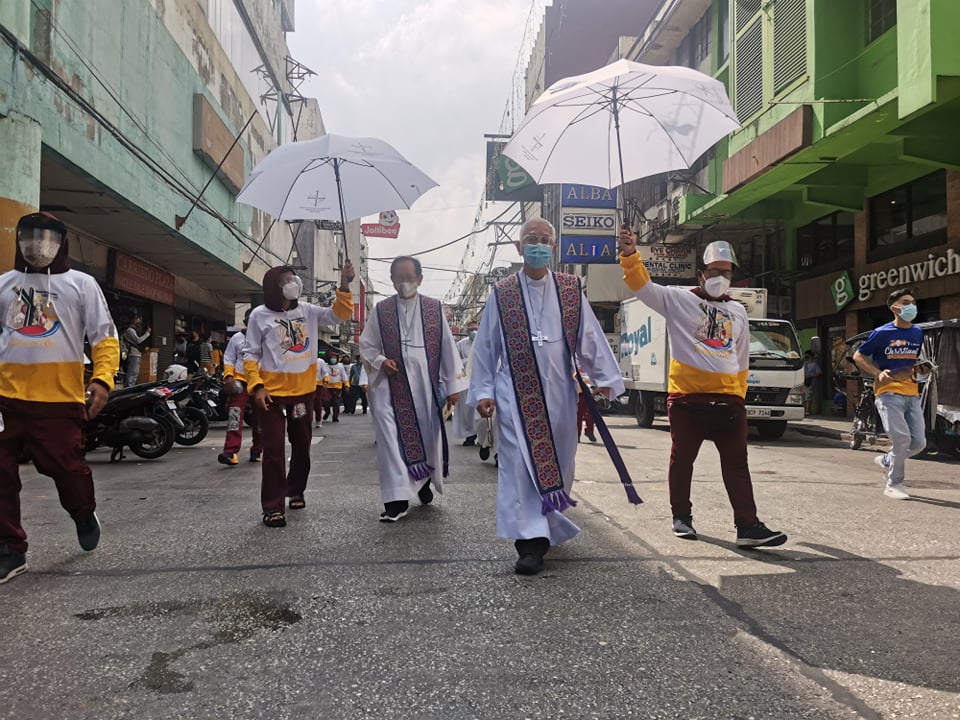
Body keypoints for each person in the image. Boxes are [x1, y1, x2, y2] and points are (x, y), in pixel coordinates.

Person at [468, 219, 623, 575]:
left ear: (553, 247)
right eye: (531, 240)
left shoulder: (570, 289)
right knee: (520, 467)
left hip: (560, 396)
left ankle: (547, 526)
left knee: (560, 464)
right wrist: (483, 391)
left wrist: (605, 378)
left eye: (545, 240)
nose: (538, 245)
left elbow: (590, 337)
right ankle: (529, 544)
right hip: (514, 394)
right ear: (519, 248)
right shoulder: (503, 292)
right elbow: (486, 347)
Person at [618, 227, 787, 548]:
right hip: (687, 401)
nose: (720, 277)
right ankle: (681, 517)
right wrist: (629, 255)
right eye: (714, 272)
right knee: (682, 461)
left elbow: (740, 357)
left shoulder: (737, 310)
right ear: (701, 273)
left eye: (726, 273)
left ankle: (748, 527)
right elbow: (642, 286)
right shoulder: (678, 300)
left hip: (728, 404)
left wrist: (738, 397)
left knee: (737, 465)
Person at [0, 212, 120, 584]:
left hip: (58, 400)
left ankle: (83, 512)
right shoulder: (4, 285)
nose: (37, 245)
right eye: (30, 236)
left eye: (46, 237)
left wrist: (102, 380)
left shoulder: (81, 285)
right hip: (6, 400)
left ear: (61, 242)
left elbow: (105, 337)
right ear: (19, 240)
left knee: (66, 469)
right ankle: (10, 549)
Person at [244, 262, 354, 527]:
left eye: (294, 278)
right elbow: (250, 354)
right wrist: (256, 386)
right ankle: (272, 506)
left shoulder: (309, 311)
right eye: (287, 279)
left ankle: (296, 489)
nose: (294, 282)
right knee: (272, 450)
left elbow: (339, 314)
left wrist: (345, 283)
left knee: (302, 447)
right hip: (270, 396)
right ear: (274, 287)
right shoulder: (259, 315)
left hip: (303, 393)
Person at [360, 256, 468, 522]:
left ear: (420, 279)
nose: (405, 282)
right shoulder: (382, 310)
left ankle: (421, 481)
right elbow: (367, 345)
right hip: (389, 385)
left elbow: (447, 347)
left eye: (410, 277)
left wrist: (453, 385)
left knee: (425, 435)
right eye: (400, 277)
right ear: (392, 279)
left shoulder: (433, 308)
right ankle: (396, 499)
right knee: (389, 439)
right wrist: (380, 361)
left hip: (424, 384)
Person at [852, 289, 926, 500]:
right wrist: (877, 372)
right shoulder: (882, 333)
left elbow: (913, 360)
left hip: (912, 393)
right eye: (906, 302)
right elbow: (858, 355)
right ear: (894, 308)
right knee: (902, 439)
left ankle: (887, 461)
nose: (912, 306)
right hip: (888, 393)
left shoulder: (917, 333)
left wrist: (923, 368)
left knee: (919, 443)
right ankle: (894, 484)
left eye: (913, 301)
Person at [218, 308, 262, 466]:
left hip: (260, 384)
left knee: (261, 419)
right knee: (234, 416)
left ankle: (257, 449)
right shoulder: (236, 338)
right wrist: (229, 377)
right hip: (240, 382)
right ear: (245, 322)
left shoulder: (266, 337)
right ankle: (230, 452)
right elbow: (229, 358)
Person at [453, 320, 480, 445]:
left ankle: (484, 436)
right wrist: (468, 362)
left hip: (480, 381)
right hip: (465, 381)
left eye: (476, 329)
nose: (474, 332)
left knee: (480, 411)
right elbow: (455, 362)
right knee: (467, 410)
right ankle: (470, 435)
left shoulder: (483, 342)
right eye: (471, 329)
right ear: (466, 331)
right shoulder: (460, 344)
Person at [122, 315, 151, 388]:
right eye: (137, 319)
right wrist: (147, 333)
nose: (139, 321)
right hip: (133, 353)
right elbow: (138, 340)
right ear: (133, 320)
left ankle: (131, 386)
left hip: (137, 353)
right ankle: (128, 387)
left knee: (135, 372)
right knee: (132, 372)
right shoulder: (130, 330)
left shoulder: (135, 330)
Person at [323, 354, 349, 422]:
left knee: (336, 403)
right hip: (327, 387)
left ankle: (335, 417)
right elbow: (324, 374)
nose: (333, 359)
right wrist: (325, 382)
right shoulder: (325, 366)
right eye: (332, 357)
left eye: (334, 358)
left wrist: (346, 385)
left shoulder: (340, 366)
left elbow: (344, 376)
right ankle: (327, 412)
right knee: (325, 401)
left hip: (337, 387)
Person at [577, 368, 597, 443]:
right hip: (579, 391)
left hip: (590, 391)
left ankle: (589, 431)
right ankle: (577, 435)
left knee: (592, 414)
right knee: (578, 415)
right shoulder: (574, 360)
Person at [314, 353, 331, 429]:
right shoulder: (303, 360)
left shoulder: (320, 361)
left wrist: (326, 381)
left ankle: (318, 420)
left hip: (318, 386)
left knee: (318, 404)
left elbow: (325, 373)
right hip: (306, 385)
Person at [803, 350, 822, 415]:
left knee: (808, 396)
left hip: (811, 382)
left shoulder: (814, 364)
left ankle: (807, 410)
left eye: (807, 356)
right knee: (806, 396)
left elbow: (819, 373)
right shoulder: (805, 364)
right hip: (805, 381)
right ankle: (807, 410)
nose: (806, 357)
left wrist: (810, 376)